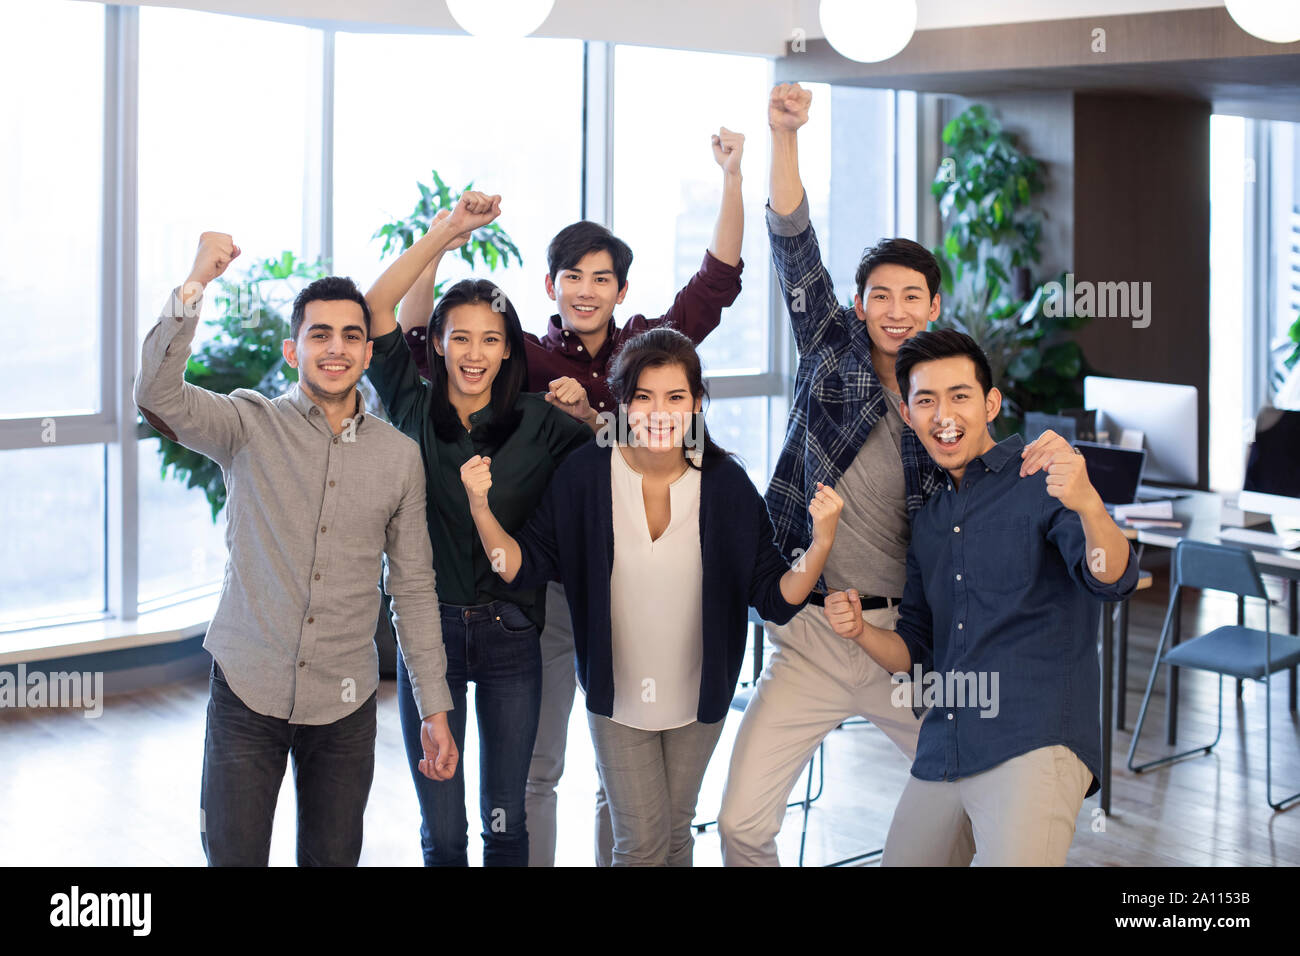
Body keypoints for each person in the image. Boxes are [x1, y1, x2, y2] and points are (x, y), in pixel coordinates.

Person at [717, 83, 1067, 866]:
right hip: (809, 635)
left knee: (970, 811)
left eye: (913, 296)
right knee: (741, 822)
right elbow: (791, 241)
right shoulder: (830, 348)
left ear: (935, 306)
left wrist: (1048, 468)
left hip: (905, 643)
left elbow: (989, 481)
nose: (896, 309)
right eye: (881, 295)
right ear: (860, 303)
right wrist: (785, 135)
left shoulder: (945, 395)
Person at [397, 128, 748, 866]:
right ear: (550, 285)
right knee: (539, 767)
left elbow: (717, 280)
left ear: (622, 290)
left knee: (627, 769)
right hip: (545, 579)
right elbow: (420, 341)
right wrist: (442, 237)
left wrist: (732, 176)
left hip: (645, 578)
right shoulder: (519, 355)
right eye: (571, 276)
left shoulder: (650, 351)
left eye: (601, 278)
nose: (586, 290)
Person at [458, 327, 843, 865]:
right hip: (617, 699)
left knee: (677, 835)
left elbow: (775, 597)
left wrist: (821, 543)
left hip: (698, 700)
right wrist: (481, 509)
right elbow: (520, 567)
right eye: (642, 397)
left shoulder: (728, 484)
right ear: (621, 404)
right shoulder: (586, 476)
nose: (659, 412)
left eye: (675, 397)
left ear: (697, 404)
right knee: (638, 845)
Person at [135, 232, 457, 867]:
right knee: (233, 855)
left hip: (345, 701)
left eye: (350, 335)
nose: (335, 347)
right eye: (319, 334)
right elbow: (156, 396)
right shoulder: (246, 425)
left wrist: (434, 707)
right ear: (293, 350)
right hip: (247, 688)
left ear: (368, 352)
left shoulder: (399, 459)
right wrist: (197, 281)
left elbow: (414, 588)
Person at [824, 329, 1138, 866]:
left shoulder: (1043, 479)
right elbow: (917, 650)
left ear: (990, 403)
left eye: (960, 396)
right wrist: (860, 632)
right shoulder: (930, 520)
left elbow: (1113, 578)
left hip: (1033, 738)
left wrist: (1088, 503)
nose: (943, 414)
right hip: (946, 742)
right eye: (926, 400)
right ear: (908, 412)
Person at [364, 192, 593, 867]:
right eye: (459, 337)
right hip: (426, 634)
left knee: (504, 822)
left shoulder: (539, 420)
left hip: (511, 635)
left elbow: (607, 480)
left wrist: (587, 414)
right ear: (436, 341)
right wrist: (445, 235)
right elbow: (376, 308)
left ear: (509, 347)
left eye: (490, 339)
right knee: (444, 832)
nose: (474, 353)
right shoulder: (408, 402)